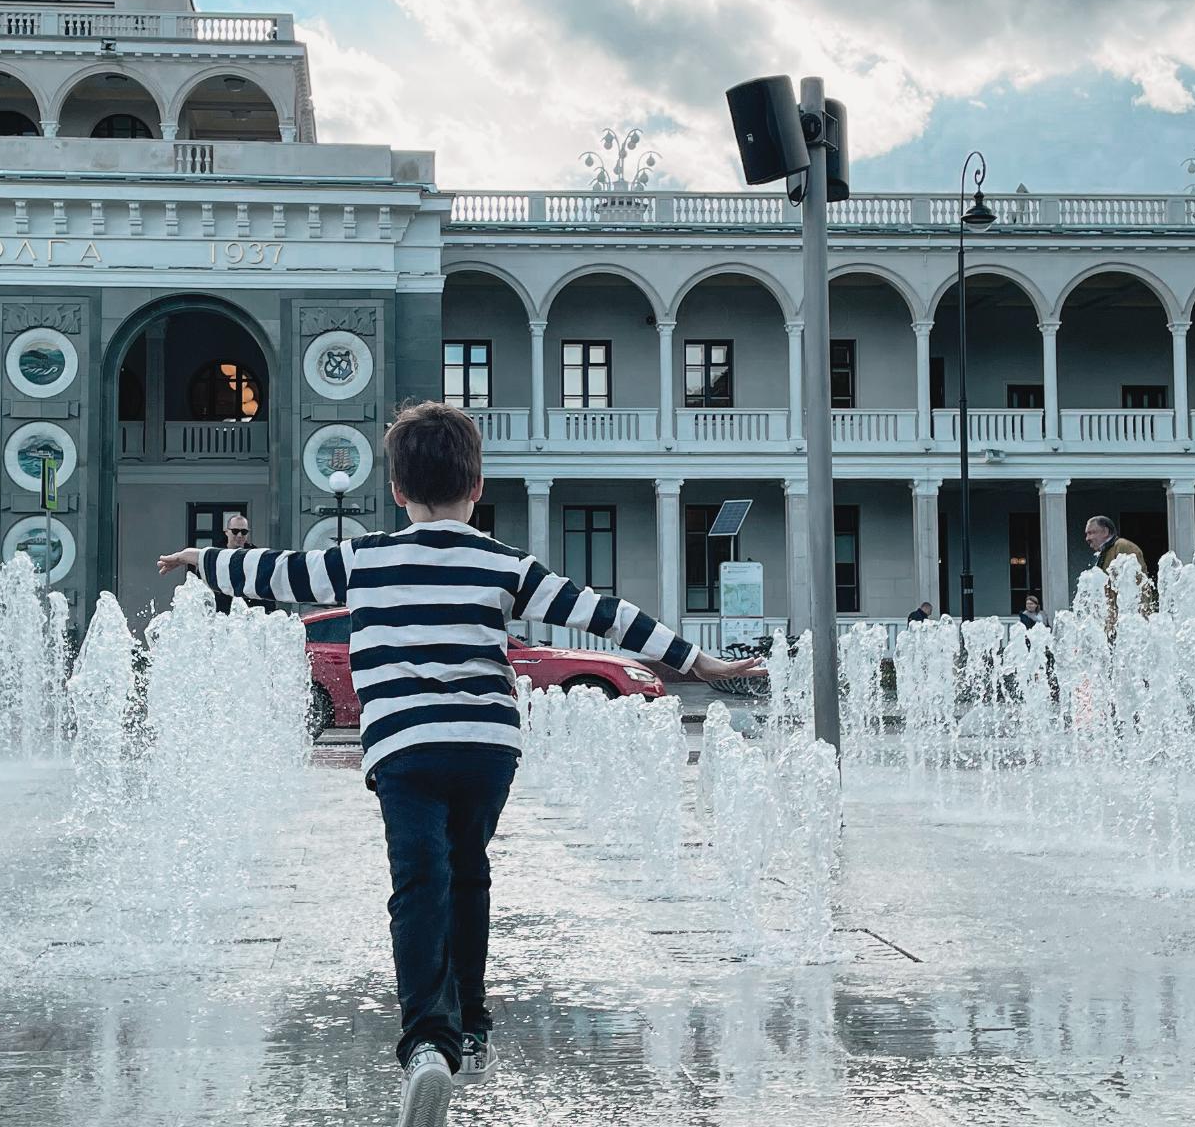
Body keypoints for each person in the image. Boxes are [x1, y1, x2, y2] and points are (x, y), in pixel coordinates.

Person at [157, 400, 762, 1125]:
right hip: (484, 748)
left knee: (418, 884)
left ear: (395, 491)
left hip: (406, 750)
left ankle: (429, 1043)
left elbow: (278, 572)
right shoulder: (501, 561)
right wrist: (701, 662)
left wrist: (202, 560)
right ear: (477, 488)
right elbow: (604, 613)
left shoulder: (366, 557)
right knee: (468, 870)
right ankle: (470, 1023)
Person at [1083, 514, 1155, 613]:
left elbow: (1137, 585)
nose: (1087, 538)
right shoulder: (1106, 551)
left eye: (1092, 533)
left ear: (1105, 532)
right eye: (1087, 534)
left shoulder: (1123, 547)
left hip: (1127, 616)